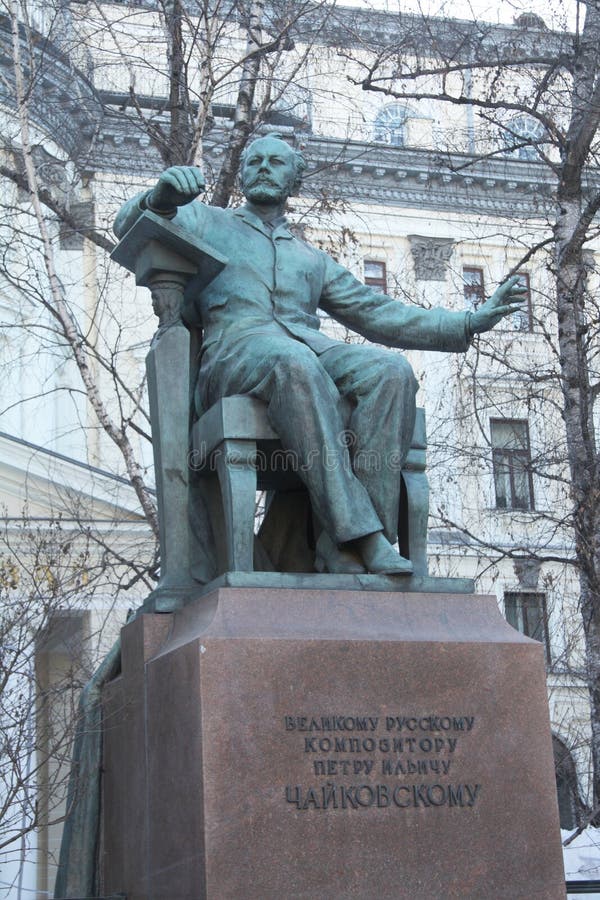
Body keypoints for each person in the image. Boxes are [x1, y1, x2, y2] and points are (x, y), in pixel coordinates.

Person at [114, 134, 525, 576]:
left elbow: (378, 313)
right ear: (243, 175)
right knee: (294, 362)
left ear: (294, 181)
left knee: (392, 371)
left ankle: (344, 547)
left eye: (276, 162)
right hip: (233, 356)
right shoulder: (206, 220)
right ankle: (363, 538)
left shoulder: (310, 258)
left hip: (306, 352)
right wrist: (160, 197)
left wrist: (467, 322)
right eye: (255, 161)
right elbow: (126, 225)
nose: (264, 168)